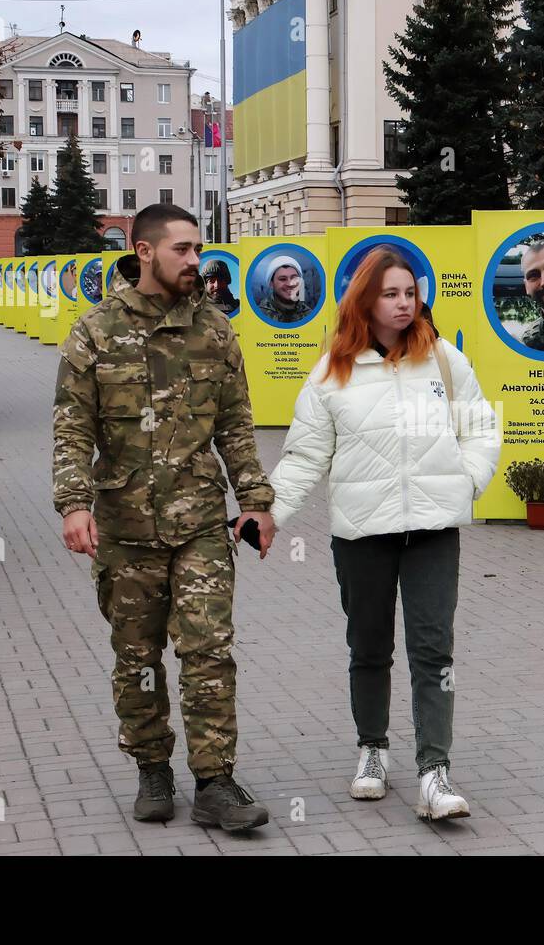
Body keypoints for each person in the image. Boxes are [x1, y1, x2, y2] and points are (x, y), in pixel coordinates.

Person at [52, 203, 277, 832]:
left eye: (198, 249)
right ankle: (153, 768)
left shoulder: (215, 329)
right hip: (124, 529)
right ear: (143, 250)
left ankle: (215, 781)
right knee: (137, 656)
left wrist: (255, 500)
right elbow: (71, 429)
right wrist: (73, 505)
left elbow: (236, 424)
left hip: (202, 520)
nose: (195, 261)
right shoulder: (94, 332)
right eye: (182, 249)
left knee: (209, 650)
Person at [269, 246, 501, 821]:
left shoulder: (445, 360)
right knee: (369, 648)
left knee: (433, 648)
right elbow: (303, 456)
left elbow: (481, 427)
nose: (403, 303)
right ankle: (372, 751)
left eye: (409, 292)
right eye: (390, 293)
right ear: (365, 299)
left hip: (432, 531)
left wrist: (467, 482)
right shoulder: (332, 372)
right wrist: (268, 513)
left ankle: (434, 772)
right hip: (362, 534)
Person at [257, 254, 312, 324]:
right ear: (271, 283)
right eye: (283, 279)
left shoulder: (310, 315)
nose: (290, 284)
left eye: (294, 278)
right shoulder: (258, 315)